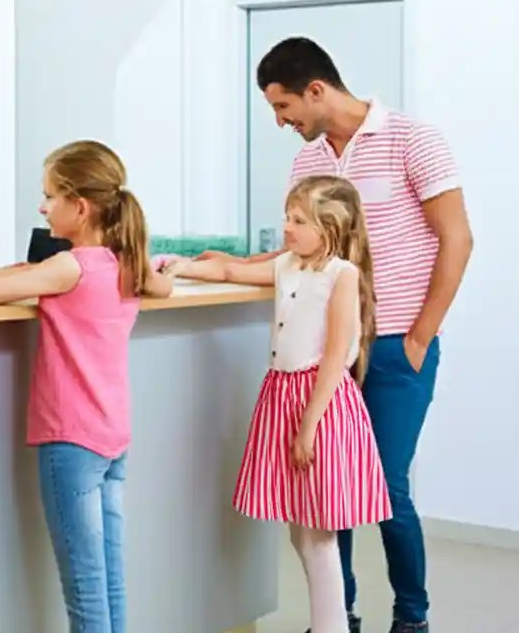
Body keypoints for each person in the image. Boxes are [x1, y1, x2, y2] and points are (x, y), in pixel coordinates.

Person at [201, 37, 474, 633]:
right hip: (334, 352)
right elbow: (305, 242)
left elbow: (457, 237)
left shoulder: (412, 139)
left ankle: (412, 617)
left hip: (399, 343)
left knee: (389, 486)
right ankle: (337, 615)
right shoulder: (308, 161)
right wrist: (242, 260)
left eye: (283, 107)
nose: (281, 122)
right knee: (332, 488)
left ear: (316, 90)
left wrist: (420, 336)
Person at [0, 140, 174, 633]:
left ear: (80, 207)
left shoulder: (67, 268)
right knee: (109, 582)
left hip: (70, 440)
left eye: (50, 195)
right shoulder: (129, 264)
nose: (42, 206)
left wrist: (27, 271)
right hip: (113, 437)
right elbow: (166, 284)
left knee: (84, 592)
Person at [166, 175, 391, 633]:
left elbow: (334, 358)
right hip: (281, 395)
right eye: (287, 217)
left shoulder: (341, 275)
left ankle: (333, 627)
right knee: (300, 529)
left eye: (298, 220)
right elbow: (230, 271)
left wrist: (308, 426)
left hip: (319, 404)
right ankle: (329, 623)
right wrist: (178, 265)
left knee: (319, 535)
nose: (286, 228)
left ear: (330, 226)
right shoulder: (289, 264)